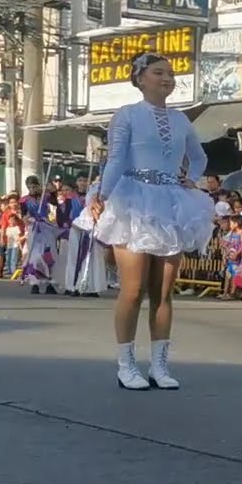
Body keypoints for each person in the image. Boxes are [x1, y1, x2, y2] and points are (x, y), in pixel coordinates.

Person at [89, 52, 215, 390]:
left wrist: (193, 179)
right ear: (140, 78)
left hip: (170, 202)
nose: (167, 79)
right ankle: (125, 365)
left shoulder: (181, 120)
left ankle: (159, 366)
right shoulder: (127, 115)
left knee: (163, 291)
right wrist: (101, 196)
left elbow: (199, 157)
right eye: (159, 72)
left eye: (171, 74)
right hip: (132, 200)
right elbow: (115, 160)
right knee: (133, 289)